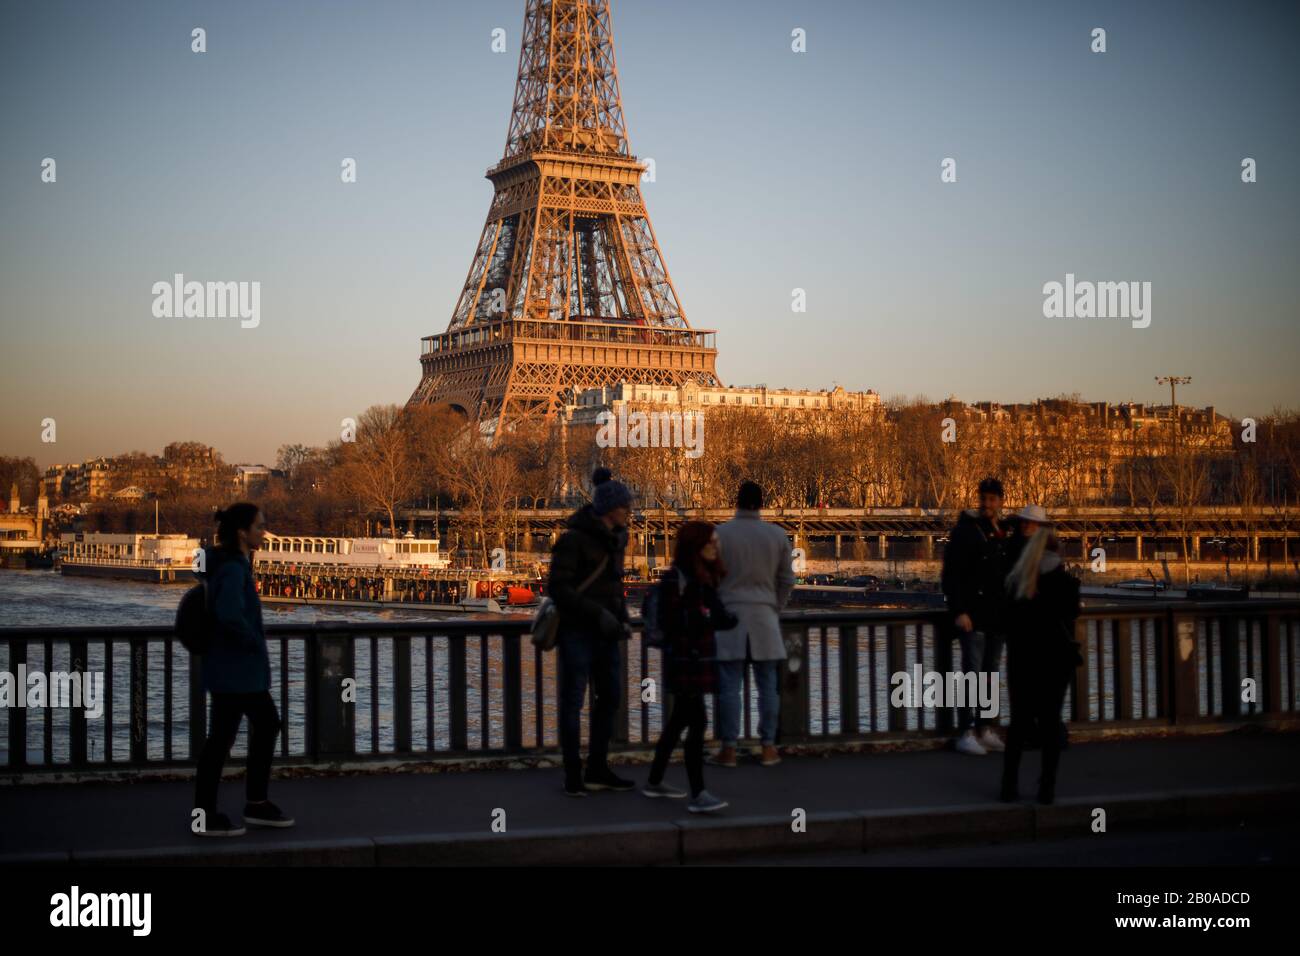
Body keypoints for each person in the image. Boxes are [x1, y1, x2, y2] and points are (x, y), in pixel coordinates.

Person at [193, 503, 294, 836]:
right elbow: (229, 614)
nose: (263, 532)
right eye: (259, 527)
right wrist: (252, 640)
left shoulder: (224, 564)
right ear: (242, 532)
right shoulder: (235, 569)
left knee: (222, 739)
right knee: (263, 726)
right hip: (239, 670)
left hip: (228, 668)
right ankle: (250, 805)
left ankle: (214, 811)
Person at [548, 476, 635, 796]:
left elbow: (614, 588)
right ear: (610, 508)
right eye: (625, 506)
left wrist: (621, 618)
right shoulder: (574, 540)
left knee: (610, 698)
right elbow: (558, 588)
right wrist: (599, 614)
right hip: (578, 633)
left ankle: (597, 768)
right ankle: (574, 775)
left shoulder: (617, 539)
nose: (630, 511)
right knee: (573, 703)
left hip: (607, 632)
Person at [643, 521, 737, 813]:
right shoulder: (679, 580)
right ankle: (698, 794)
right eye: (711, 542)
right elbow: (678, 621)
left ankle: (655, 780)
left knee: (679, 722)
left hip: (693, 660)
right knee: (697, 724)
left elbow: (714, 615)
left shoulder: (702, 578)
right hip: (687, 661)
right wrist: (709, 619)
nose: (716, 546)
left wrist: (722, 618)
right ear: (696, 546)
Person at [999, 505, 1082, 805]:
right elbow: (1071, 615)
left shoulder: (1017, 581)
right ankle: (1046, 788)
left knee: (1019, 724)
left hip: (1023, 657)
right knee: (1049, 724)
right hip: (1055, 660)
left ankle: (1008, 787)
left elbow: (1007, 616)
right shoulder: (1064, 582)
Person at [711, 481, 795, 767]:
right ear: (761, 503)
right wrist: (774, 606)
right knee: (768, 687)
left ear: (736, 501)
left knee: (729, 688)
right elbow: (786, 581)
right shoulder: (777, 535)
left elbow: (708, 578)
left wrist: (716, 607)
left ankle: (729, 749)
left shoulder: (720, 534)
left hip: (729, 619)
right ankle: (769, 747)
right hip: (765, 618)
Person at [940, 476, 1015, 756]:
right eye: (984, 498)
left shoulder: (1001, 532)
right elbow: (951, 574)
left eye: (992, 499)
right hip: (973, 615)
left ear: (1000, 501)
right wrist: (959, 610)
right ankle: (966, 731)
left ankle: (983, 728)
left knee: (989, 677)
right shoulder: (966, 531)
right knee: (972, 674)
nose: (987, 503)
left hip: (996, 617)